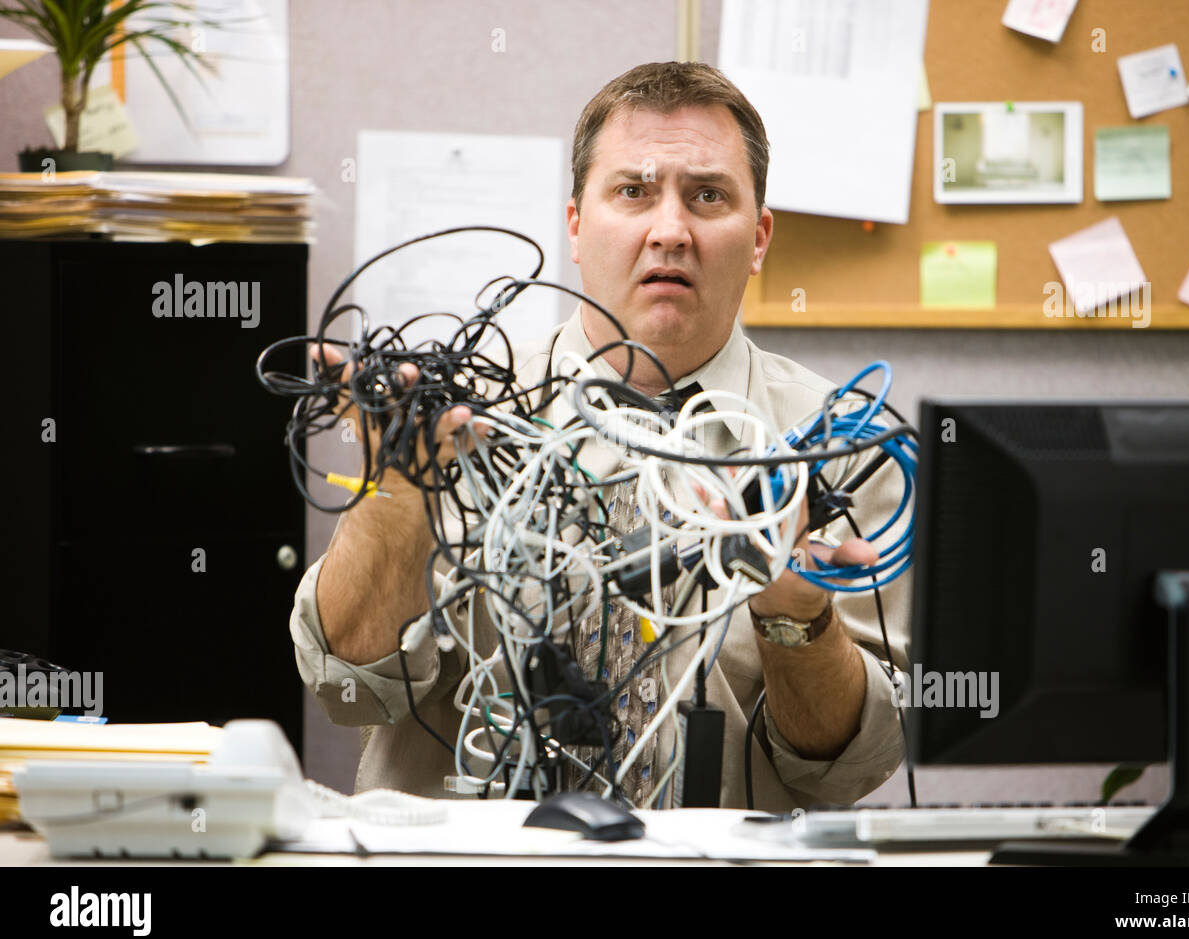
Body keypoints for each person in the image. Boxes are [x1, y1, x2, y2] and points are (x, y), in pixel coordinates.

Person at [290, 61, 910, 811]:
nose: (671, 231)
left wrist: (793, 614)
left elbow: (847, 768)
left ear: (758, 238)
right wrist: (396, 489)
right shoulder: (452, 418)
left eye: (708, 196)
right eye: (634, 192)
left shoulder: (835, 448)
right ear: (577, 226)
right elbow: (347, 687)